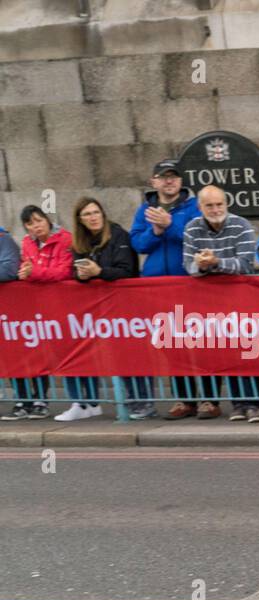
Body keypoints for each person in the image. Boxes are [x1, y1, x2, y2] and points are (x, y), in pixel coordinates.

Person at [131, 159, 206, 419]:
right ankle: (184, 400)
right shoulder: (145, 210)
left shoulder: (194, 207)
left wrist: (170, 225)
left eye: (173, 177)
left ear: (181, 181)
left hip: (189, 284)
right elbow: (138, 243)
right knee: (173, 345)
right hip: (158, 289)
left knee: (200, 343)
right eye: (163, 177)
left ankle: (208, 399)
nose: (169, 181)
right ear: (154, 181)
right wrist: (155, 229)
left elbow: (198, 237)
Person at [62, 197, 141, 421]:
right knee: (88, 352)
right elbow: (75, 271)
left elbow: (126, 270)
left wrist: (99, 272)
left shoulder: (118, 235)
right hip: (93, 308)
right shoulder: (79, 242)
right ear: (80, 219)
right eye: (87, 214)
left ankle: (139, 400)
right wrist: (82, 275)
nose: (93, 217)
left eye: (96, 212)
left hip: (123, 305)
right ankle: (89, 403)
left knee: (129, 354)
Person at [184, 185, 259, 421]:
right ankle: (236, 404)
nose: (215, 209)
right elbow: (188, 265)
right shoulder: (192, 228)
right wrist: (202, 266)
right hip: (207, 302)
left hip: (239, 298)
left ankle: (253, 403)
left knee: (245, 350)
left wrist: (215, 263)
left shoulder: (241, 225)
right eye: (209, 205)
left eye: (219, 204)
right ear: (200, 207)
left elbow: (246, 264)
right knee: (218, 351)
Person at [1, 206, 71, 421]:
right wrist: (28, 274)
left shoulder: (65, 239)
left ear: (47, 220)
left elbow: (63, 271)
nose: (36, 226)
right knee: (17, 353)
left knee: (40, 353)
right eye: (30, 224)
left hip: (54, 306)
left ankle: (41, 399)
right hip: (24, 307)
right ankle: (23, 400)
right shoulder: (27, 243)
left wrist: (33, 273)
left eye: (39, 220)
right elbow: (23, 271)